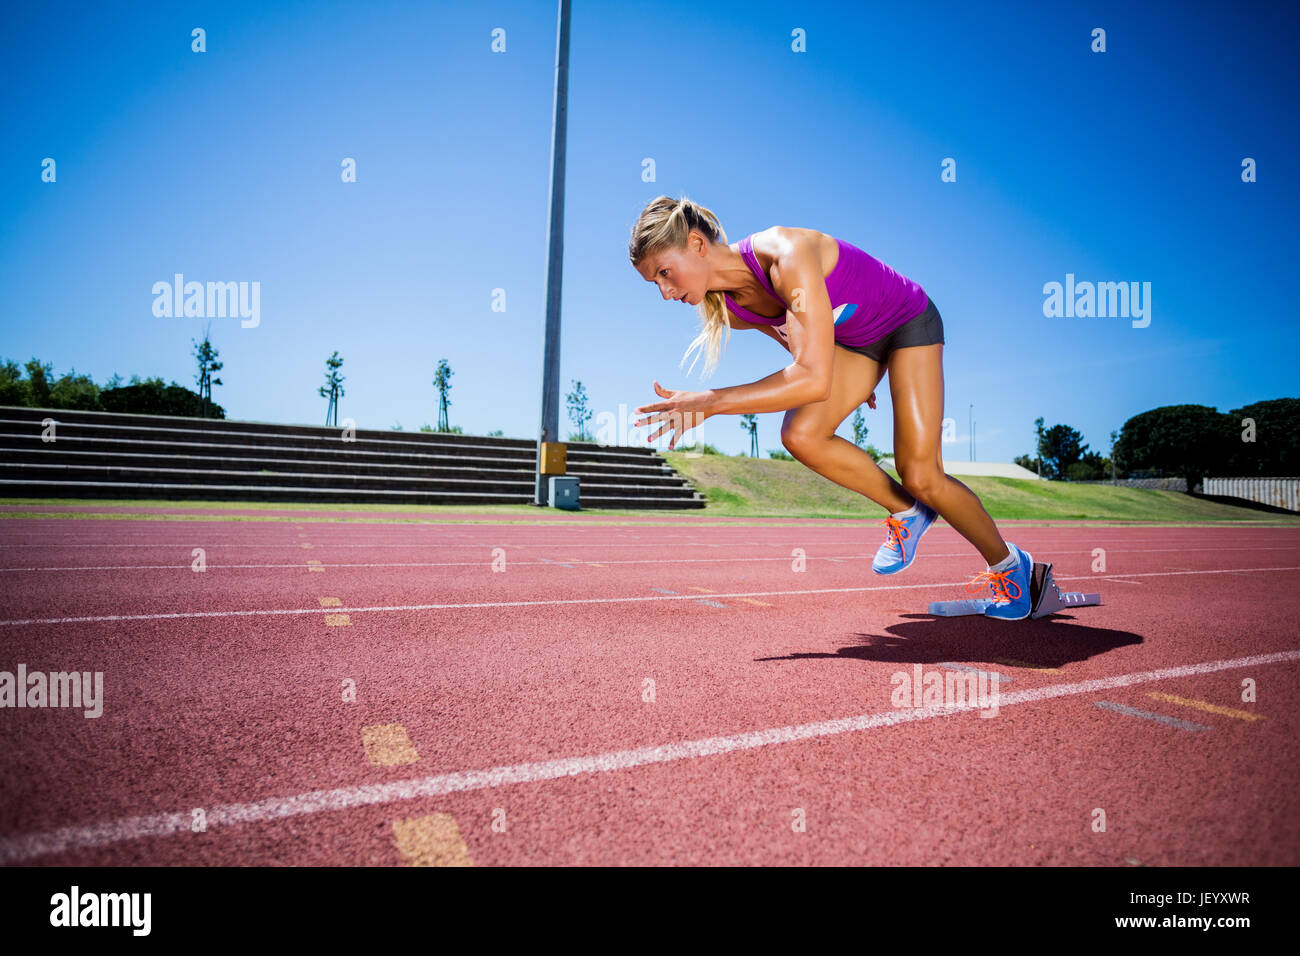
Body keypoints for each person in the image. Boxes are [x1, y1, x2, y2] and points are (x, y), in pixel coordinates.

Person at [629, 195, 1033, 619]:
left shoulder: (786, 255)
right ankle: (907, 511)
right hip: (855, 345)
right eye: (655, 283)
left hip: (905, 321)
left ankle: (1010, 567)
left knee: (921, 474)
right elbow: (800, 348)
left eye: (664, 273)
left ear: (696, 244)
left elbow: (811, 379)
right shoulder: (732, 310)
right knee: (800, 434)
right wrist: (842, 373)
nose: (665, 292)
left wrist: (711, 403)